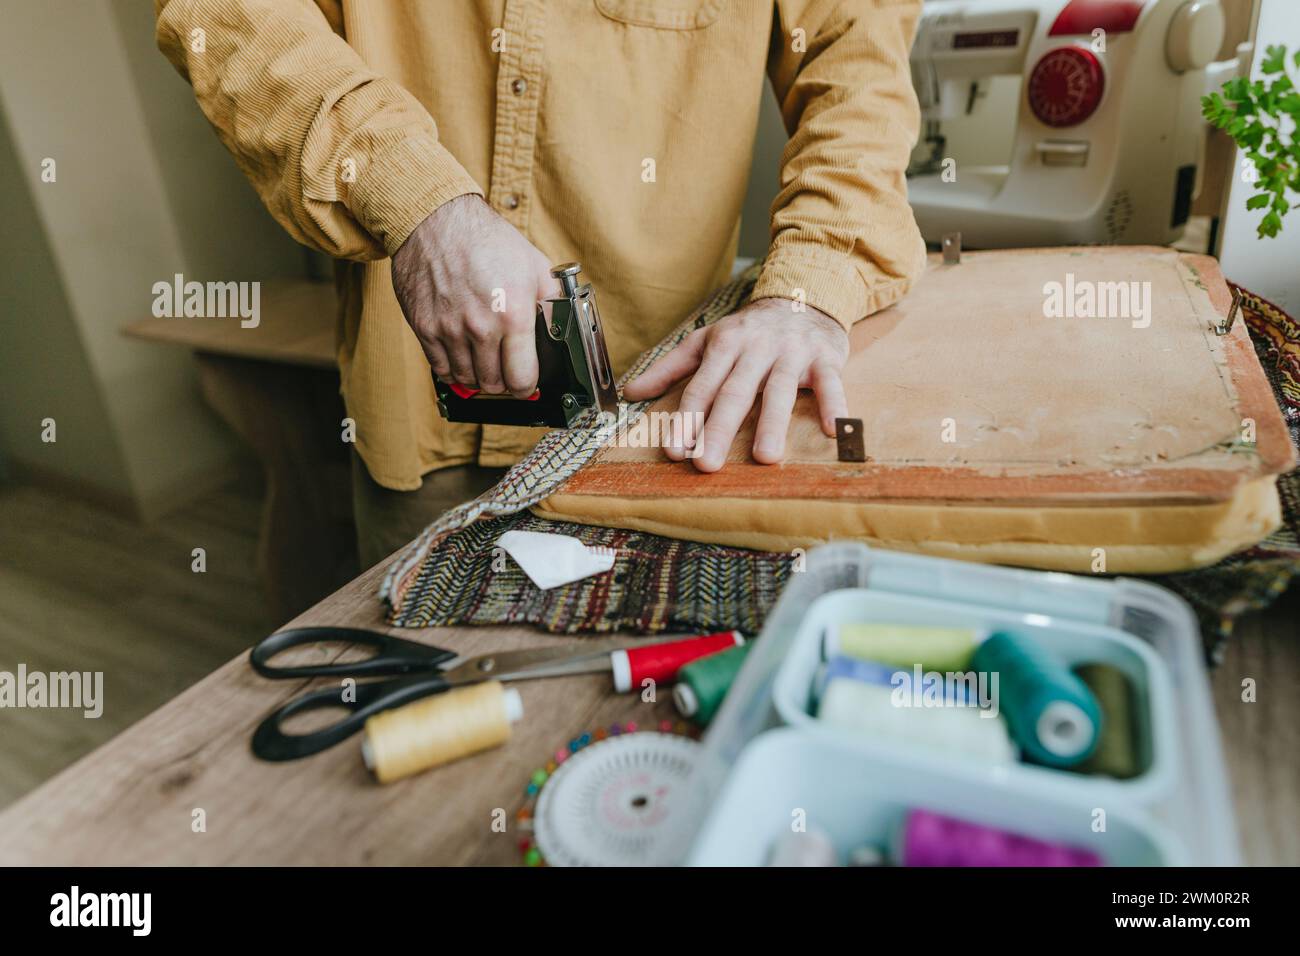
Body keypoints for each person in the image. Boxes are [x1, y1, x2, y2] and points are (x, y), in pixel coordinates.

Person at [155, 0, 927, 566]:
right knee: (427, 700)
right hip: (421, 427)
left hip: (661, 429)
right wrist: (416, 199)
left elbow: (857, 78)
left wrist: (809, 282)